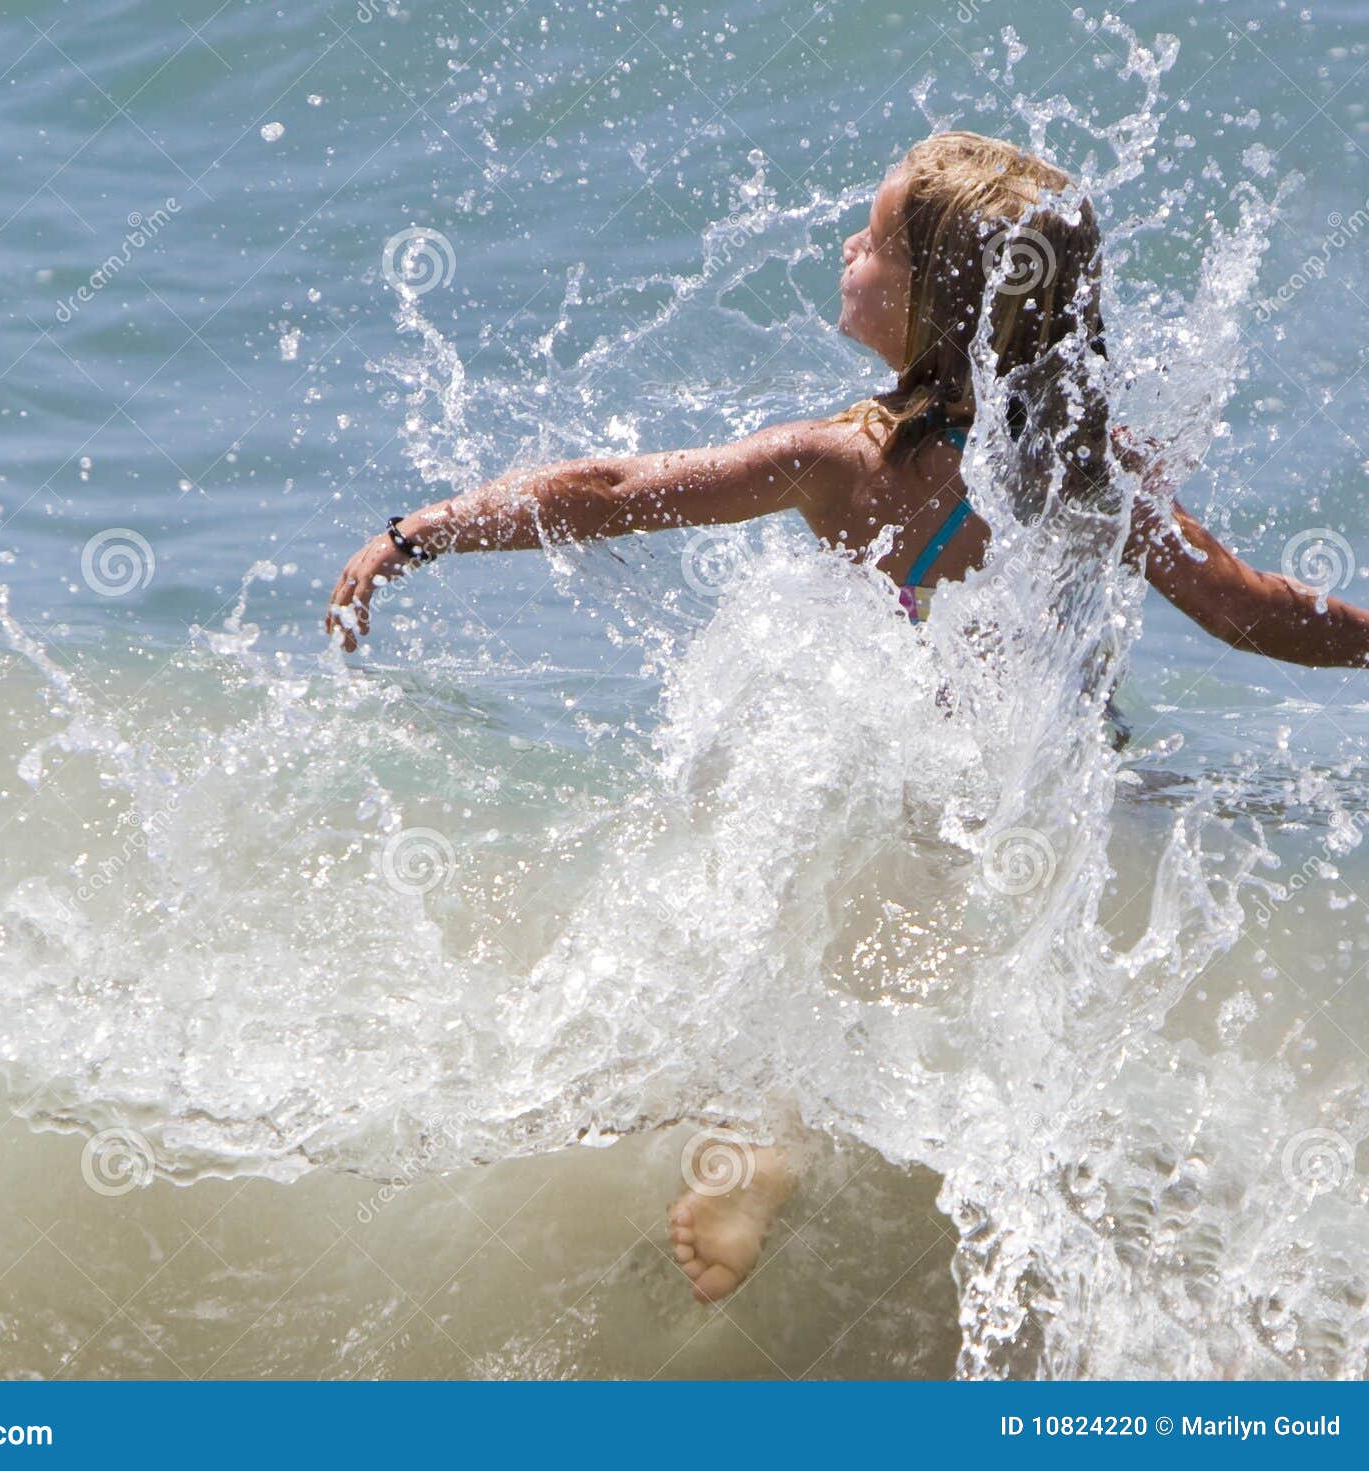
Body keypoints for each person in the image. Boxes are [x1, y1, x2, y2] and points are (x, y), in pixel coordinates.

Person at [325, 131, 1369, 1302]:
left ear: (938, 304)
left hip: (906, 779)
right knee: (993, 979)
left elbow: (609, 493)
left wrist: (424, 530)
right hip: (1055, 790)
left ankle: (774, 1146)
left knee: (836, 953)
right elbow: (1253, 614)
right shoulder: (1086, 467)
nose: (846, 249)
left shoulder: (839, 461)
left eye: (872, 242)